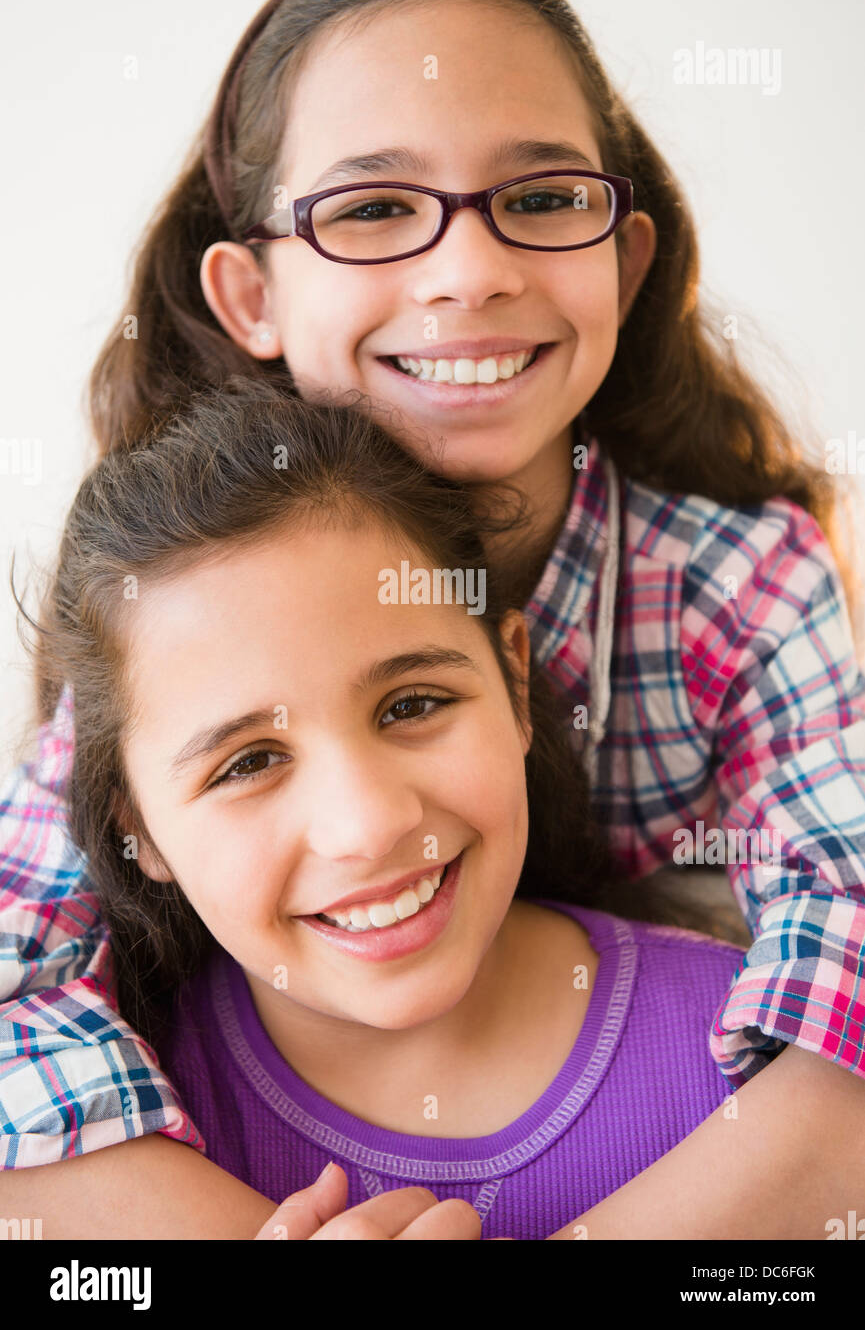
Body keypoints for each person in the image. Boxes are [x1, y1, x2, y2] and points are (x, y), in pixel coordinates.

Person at [2, 0, 865, 1238]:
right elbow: (14, 968)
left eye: (541, 196)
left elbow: (850, 957)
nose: (469, 273)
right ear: (251, 295)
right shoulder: (176, 608)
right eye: (370, 210)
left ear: (623, 262)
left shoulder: (733, 578)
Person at [14, 379, 775, 1240]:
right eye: (250, 763)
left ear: (514, 684)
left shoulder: (758, 1057)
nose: (368, 824)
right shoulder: (90, 1136)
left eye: (411, 705)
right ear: (137, 827)